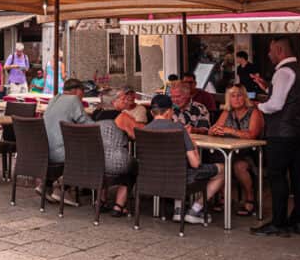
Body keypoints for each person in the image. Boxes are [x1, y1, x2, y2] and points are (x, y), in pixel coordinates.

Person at [251, 37, 300, 237]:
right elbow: (290, 97)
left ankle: (278, 222)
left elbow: (276, 105)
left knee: (277, 177)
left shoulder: (283, 72)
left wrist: (258, 106)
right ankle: (298, 221)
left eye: (270, 51)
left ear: (279, 50)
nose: (268, 55)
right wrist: (267, 87)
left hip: (281, 133)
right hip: (299, 132)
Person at [148, 93, 225, 224]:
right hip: (180, 177)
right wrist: (192, 144)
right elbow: (195, 163)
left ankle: (179, 210)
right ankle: (195, 209)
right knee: (223, 169)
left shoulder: (144, 130)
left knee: (177, 164)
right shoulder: (178, 129)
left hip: (154, 178)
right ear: (169, 112)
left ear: (151, 112)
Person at [210, 85, 265, 216]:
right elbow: (214, 129)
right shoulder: (227, 112)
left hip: (250, 152)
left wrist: (230, 130)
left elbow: (252, 134)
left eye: (239, 95)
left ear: (245, 97)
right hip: (229, 151)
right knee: (218, 164)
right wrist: (214, 130)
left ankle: (250, 197)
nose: (236, 99)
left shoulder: (254, 112)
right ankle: (225, 197)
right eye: (232, 96)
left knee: (239, 166)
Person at [44, 79, 92, 203]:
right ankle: (62, 189)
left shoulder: (54, 99)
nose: (83, 96)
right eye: (83, 92)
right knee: (88, 152)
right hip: (60, 153)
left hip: (44, 151)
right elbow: (85, 122)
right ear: (76, 91)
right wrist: (102, 125)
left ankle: (47, 185)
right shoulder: (73, 99)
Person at [94, 90, 137, 217]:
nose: (125, 101)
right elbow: (138, 134)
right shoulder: (122, 116)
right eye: (122, 99)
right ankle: (119, 205)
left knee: (107, 159)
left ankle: (100, 201)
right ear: (113, 102)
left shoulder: (95, 115)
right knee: (134, 166)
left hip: (96, 162)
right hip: (116, 163)